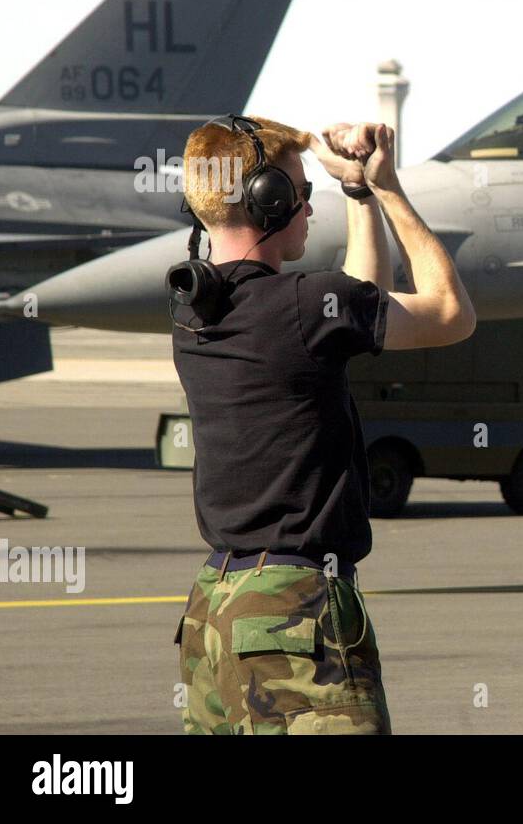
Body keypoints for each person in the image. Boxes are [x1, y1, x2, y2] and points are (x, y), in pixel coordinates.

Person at [171, 116, 475, 734]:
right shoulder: (304, 306)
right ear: (268, 202)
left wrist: (353, 195)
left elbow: (357, 299)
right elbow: (451, 314)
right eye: (302, 194)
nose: (309, 208)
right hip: (294, 614)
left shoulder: (193, 314)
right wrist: (387, 188)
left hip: (215, 612)